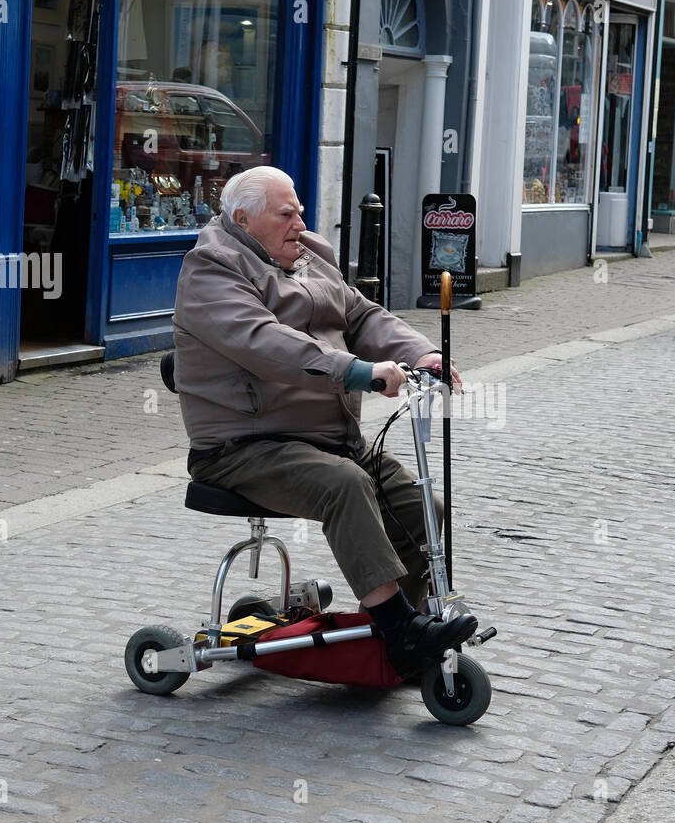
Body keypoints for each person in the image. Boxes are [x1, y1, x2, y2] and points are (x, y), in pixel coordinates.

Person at [171, 165, 477, 672]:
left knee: (423, 504)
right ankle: (401, 630)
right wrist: (358, 372)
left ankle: (386, 626)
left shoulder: (310, 255)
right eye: (286, 213)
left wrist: (421, 353)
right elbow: (265, 344)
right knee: (346, 485)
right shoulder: (211, 270)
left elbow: (360, 315)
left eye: (301, 212)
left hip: (329, 437)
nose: (300, 224)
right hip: (245, 446)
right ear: (244, 220)